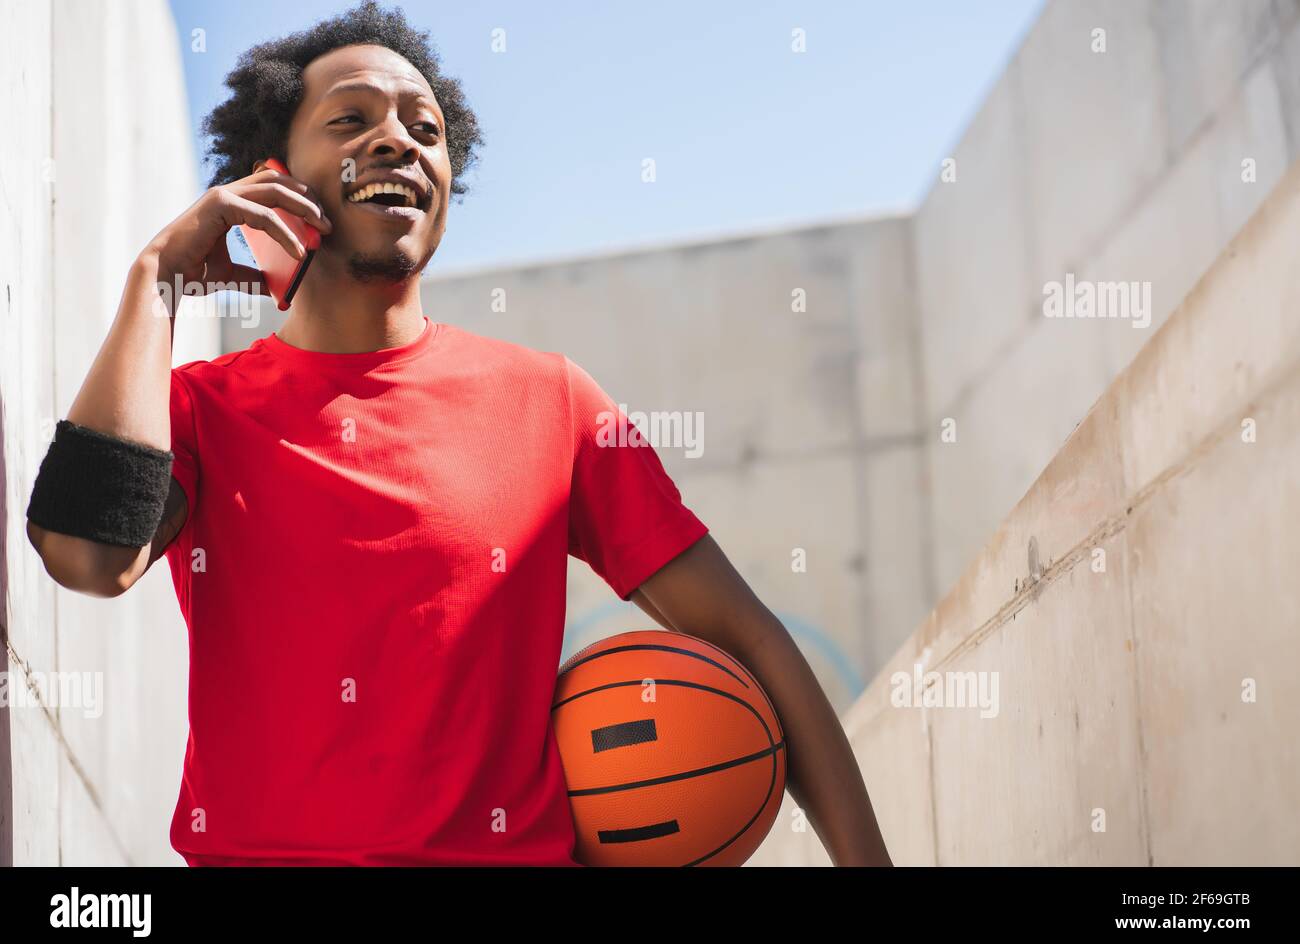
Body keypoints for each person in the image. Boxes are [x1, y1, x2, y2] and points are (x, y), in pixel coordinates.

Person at [25, 0, 891, 867]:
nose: (399, 140)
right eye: (352, 119)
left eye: (425, 129)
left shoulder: (552, 402)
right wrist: (158, 276)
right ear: (273, 177)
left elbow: (750, 641)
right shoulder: (199, 412)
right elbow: (87, 557)